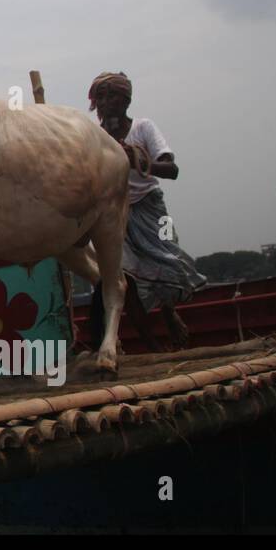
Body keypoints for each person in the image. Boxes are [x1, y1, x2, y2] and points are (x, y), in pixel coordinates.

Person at [87, 71, 207, 351]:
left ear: (126, 100)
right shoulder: (94, 137)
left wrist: (138, 160)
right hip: (115, 214)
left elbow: (172, 169)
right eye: (100, 97)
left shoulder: (142, 128)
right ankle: (151, 345)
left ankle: (168, 311)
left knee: (170, 261)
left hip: (151, 207)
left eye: (112, 95)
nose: (105, 103)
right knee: (123, 279)